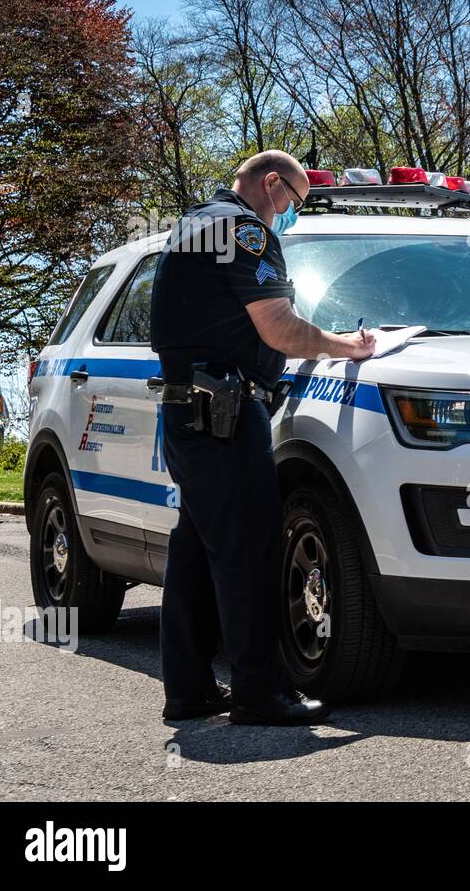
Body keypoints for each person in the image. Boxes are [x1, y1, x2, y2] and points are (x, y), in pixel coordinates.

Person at [150, 150, 375, 725]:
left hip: (187, 411)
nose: (288, 218)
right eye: (293, 204)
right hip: (223, 414)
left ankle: (190, 688)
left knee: (198, 550)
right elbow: (279, 328)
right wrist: (348, 346)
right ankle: (258, 692)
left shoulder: (193, 223)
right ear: (272, 184)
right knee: (249, 549)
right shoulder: (245, 229)